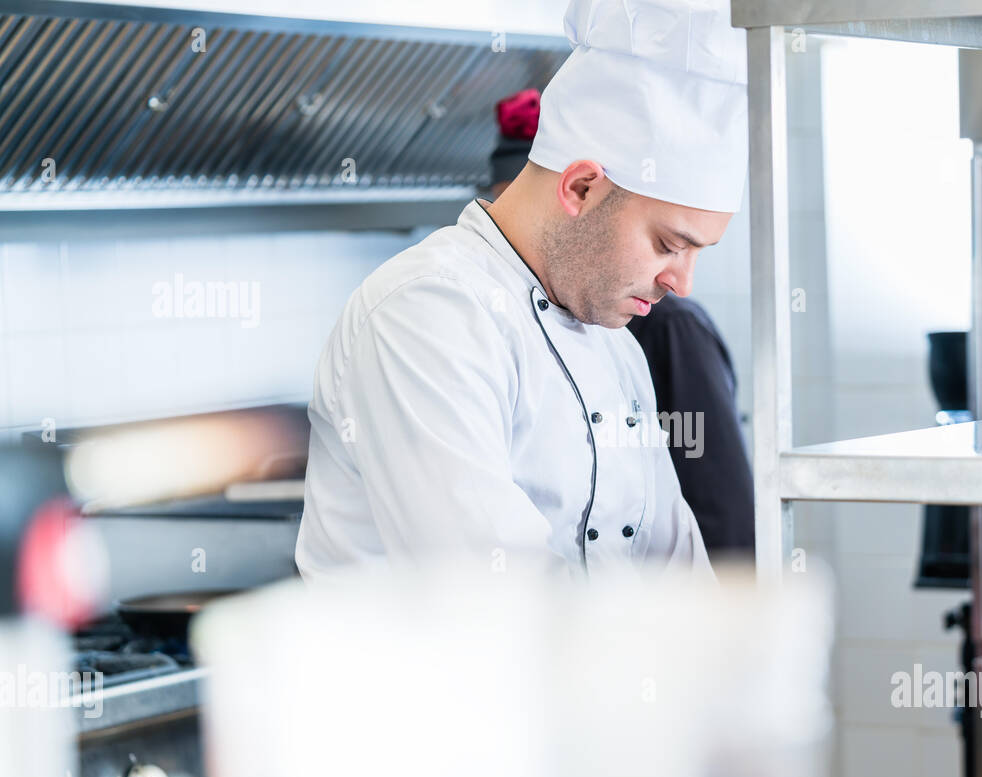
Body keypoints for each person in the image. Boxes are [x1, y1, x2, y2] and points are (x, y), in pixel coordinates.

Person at [295, 0, 746, 582]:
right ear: (582, 187)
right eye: (668, 244)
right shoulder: (426, 312)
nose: (680, 283)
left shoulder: (614, 346)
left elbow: (680, 576)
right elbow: (501, 600)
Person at [488, 88, 755, 561]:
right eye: (670, 245)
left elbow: (713, 513)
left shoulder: (651, 331)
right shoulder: (446, 313)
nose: (681, 283)